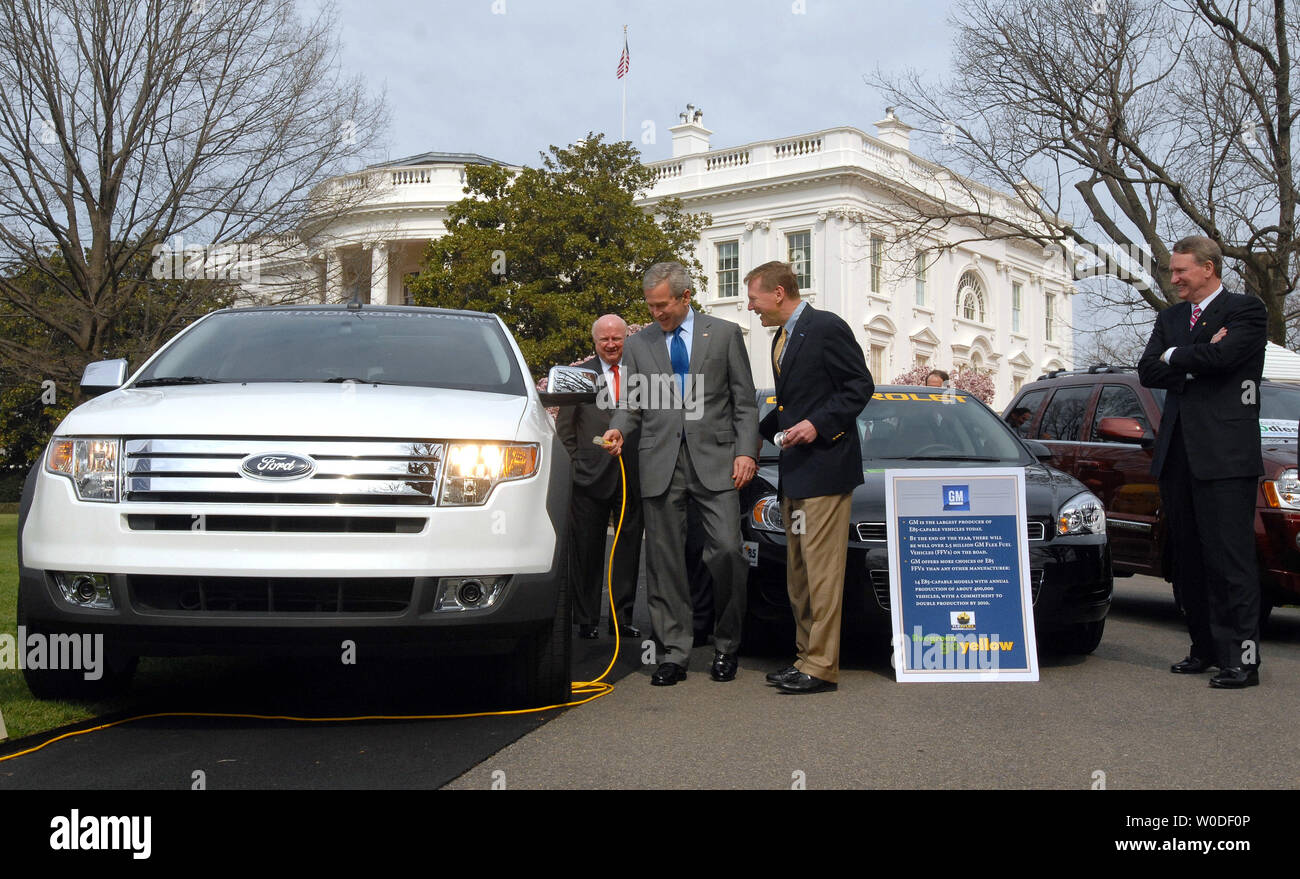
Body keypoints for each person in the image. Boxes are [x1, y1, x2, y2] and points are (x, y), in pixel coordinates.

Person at [603, 262, 759, 686]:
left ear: (686, 297)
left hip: (716, 462)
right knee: (664, 561)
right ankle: (673, 651)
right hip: (659, 463)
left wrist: (747, 452)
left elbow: (745, 404)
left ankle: (727, 645)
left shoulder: (724, 334)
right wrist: (618, 426)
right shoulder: (639, 345)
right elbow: (632, 403)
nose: (656, 313)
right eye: (651, 306)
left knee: (727, 550)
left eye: (663, 305)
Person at [1137, 235, 1267, 689]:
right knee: (1188, 559)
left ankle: (1242, 660)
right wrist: (1192, 357)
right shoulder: (1170, 317)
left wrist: (1180, 356)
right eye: (1172, 272)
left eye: (1180, 272)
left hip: (1226, 456)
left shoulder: (1245, 310)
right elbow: (1149, 369)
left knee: (1230, 561)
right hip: (1177, 456)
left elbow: (1227, 356)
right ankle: (1204, 650)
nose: (1173, 280)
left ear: (1208, 269)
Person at [746, 260, 874, 694]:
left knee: (820, 576)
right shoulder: (781, 337)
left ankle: (821, 667)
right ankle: (805, 658)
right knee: (798, 575)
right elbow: (789, 406)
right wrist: (750, 436)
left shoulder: (825, 327)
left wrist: (818, 425)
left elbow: (859, 385)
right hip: (795, 472)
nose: (751, 308)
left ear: (778, 293)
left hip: (826, 470)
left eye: (754, 298)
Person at [556, 315, 643, 641]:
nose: (611, 344)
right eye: (604, 339)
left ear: (626, 339)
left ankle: (622, 619)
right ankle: (586, 619)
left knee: (627, 550)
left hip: (631, 476)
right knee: (586, 551)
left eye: (617, 339)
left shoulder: (640, 375)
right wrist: (575, 468)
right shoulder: (578, 376)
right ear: (595, 342)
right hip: (587, 479)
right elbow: (565, 431)